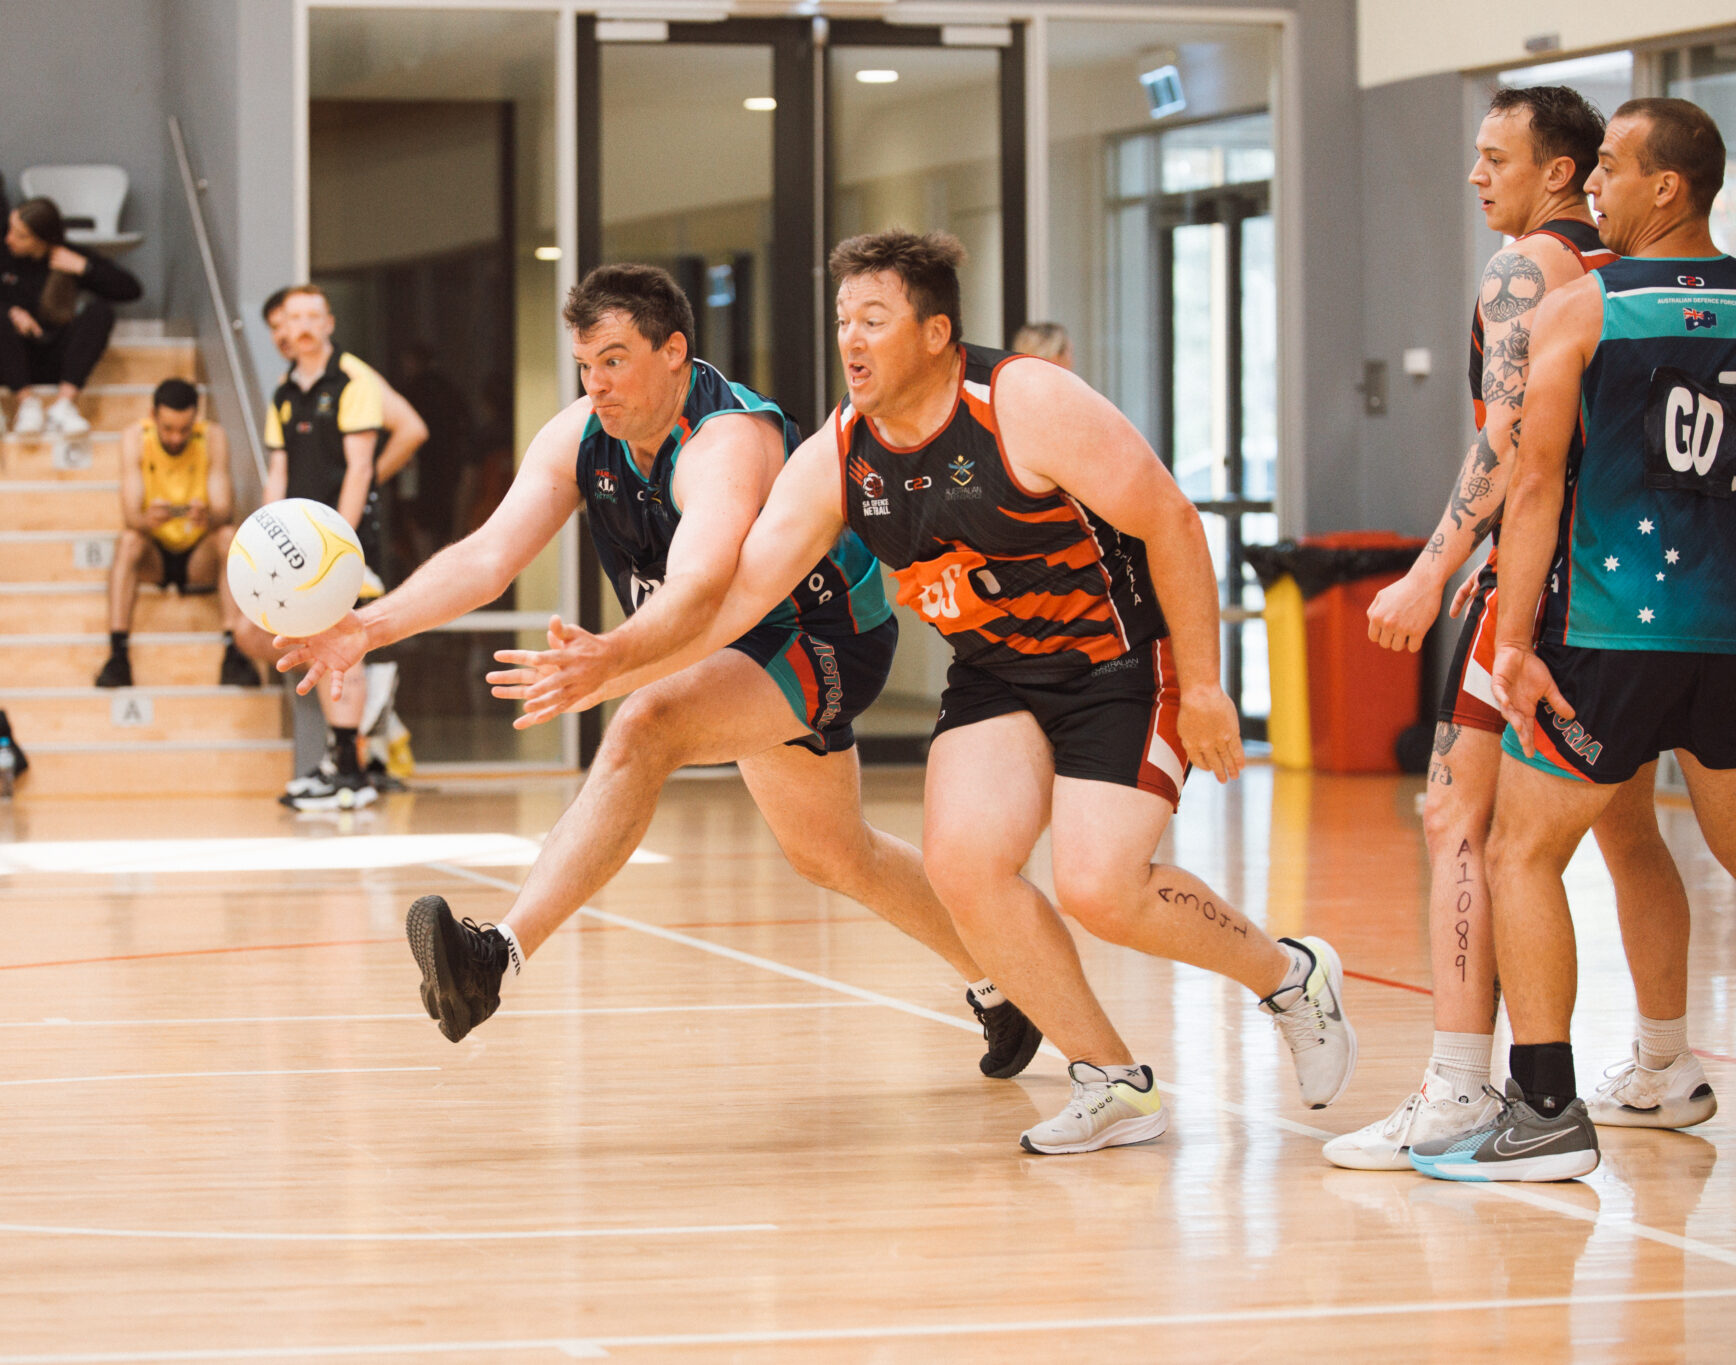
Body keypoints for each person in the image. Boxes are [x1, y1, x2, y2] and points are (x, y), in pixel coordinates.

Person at [495, 234, 1359, 1155]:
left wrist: (1212, 687)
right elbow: (737, 597)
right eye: (842, 322)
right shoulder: (838, 452)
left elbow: (1173, 520)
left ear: (938, 331)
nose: (851, 342)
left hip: (1118, 662)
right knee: (963, 869)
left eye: (874, 319)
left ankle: (1289, 974)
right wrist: (613, 662)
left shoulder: (1024, 402)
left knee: (1100, 887)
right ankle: (1111, 1079)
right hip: (995, 674)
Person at [277, 262, 1043, 1078]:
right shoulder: (582, 435)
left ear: (674, 350)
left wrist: (612, 661)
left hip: (822, 635)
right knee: (833, 852)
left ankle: (492, 959)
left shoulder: (726, 442)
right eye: (584, 363)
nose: (595, 383)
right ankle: (1008, 985)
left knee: (648, 724)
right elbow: (490, 555)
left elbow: (703, 590)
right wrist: (368, 624)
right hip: (724, 646)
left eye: (614, 359)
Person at [1331, 87, 1701, 1170]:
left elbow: (1507, 438)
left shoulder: (1523, 269)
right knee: (1629, 831)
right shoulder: (1633, 273)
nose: (1473, 174)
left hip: (1548, 591)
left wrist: (1428, 566)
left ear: (1562, 171)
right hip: (1646, 593)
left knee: (1461, 819)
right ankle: (1664, 1060)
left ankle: (1458, 1088)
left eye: (1494, 156)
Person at [248, 285, 426, 809]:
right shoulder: (283, 390)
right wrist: (267, 534)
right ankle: (341, 765)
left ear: (328, 322)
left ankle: (352, 772)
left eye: (312, 316)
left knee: (345, 644)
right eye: (292, 317)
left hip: (339, 545)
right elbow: (278, 469)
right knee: (318, 647)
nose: (301, 326)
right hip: (294, 544)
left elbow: (360, 468)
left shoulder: (353, 380)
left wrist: (337, 544)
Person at [96, 378, 252, 688]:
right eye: (168, 428)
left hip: (198, 555)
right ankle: (117, 654)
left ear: (196, 417)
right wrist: (147, 519)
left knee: (229, 537)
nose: (177, 437)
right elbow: (130, 516)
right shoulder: (135, 437)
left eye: (184, 428)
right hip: (154, 552)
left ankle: (235, 652)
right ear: (153, 416)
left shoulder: (212, 437)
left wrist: (206, 517)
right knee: (128, 542)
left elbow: (223, 509)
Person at [0, 196, 141, 438]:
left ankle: (64, 405)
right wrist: (9, 313)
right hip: (11, 360)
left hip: (58, 357)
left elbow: (131, 290)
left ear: (42, 240)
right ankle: (27, 404)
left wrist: (85, 268)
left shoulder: (67, 254)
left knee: (100, 312)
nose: (9, 239)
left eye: (20, 235)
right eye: (10, 229)